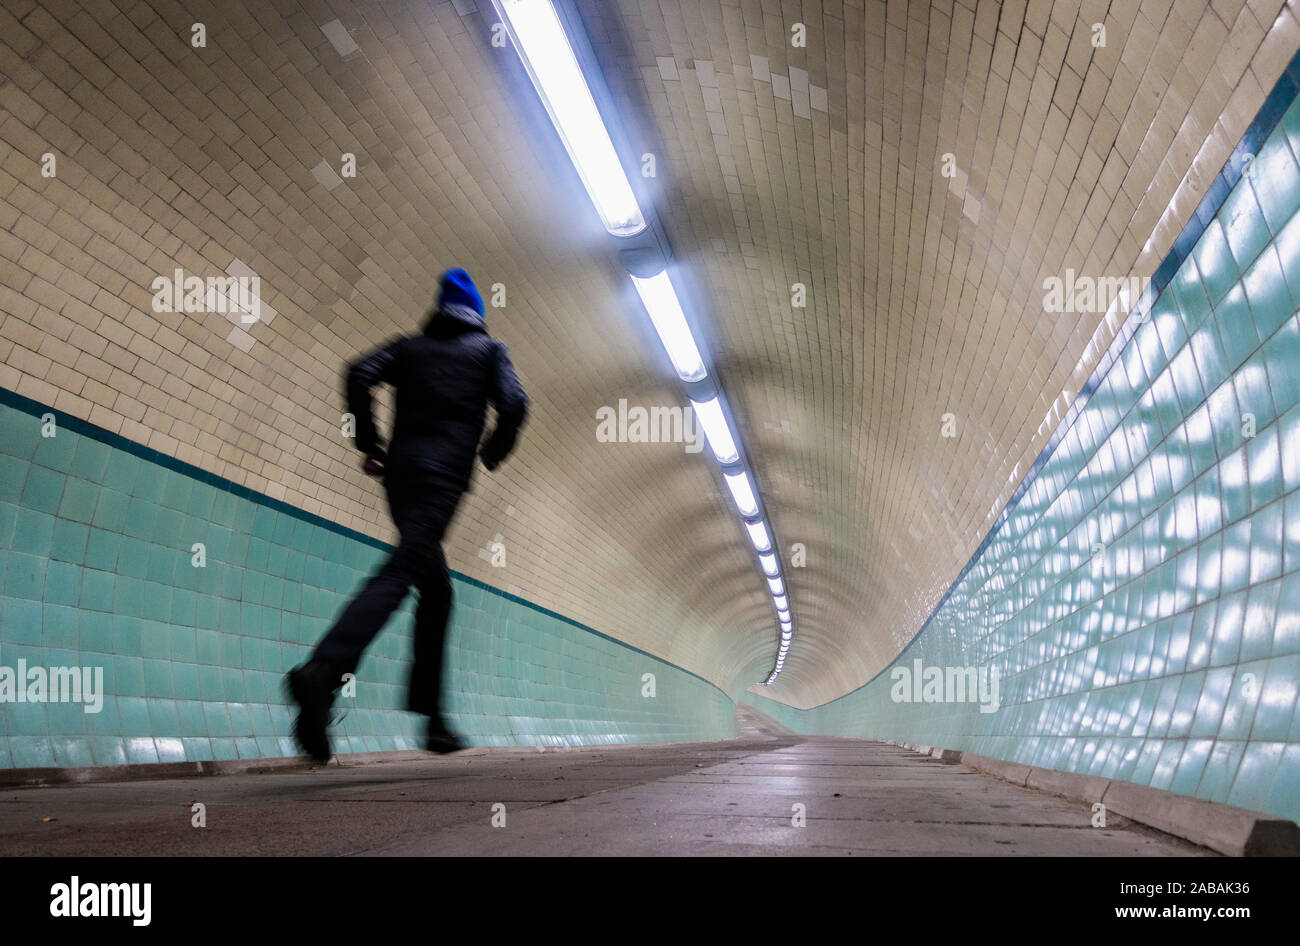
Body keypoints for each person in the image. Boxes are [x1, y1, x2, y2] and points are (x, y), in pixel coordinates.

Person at [286, 268, 528, 762]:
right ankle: (322, 672)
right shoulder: (489, 352)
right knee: (403, 571)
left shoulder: (409, 348)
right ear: (476, 314)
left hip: (401, 478)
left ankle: (434, 721)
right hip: (443, 481)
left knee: (436, 588)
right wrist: (492, 450)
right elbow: (515, 403)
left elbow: (357, 373)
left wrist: (370, 443)